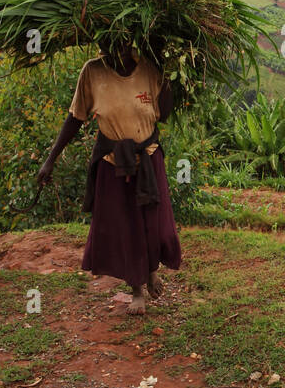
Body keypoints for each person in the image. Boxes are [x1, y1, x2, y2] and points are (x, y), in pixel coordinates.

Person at [37, 41, 181, 314]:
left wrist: (169, 74)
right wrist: (50, 159)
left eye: (126, 40)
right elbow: (75, 118)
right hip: (112, 161)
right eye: (112, 41)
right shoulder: (92, 72)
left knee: (155, 225)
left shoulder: (150, 68)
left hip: (148, 156)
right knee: (126, 227)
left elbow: (165, 114)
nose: (120, 47)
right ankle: (137, 289)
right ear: (102, 42)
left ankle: (151, 270)